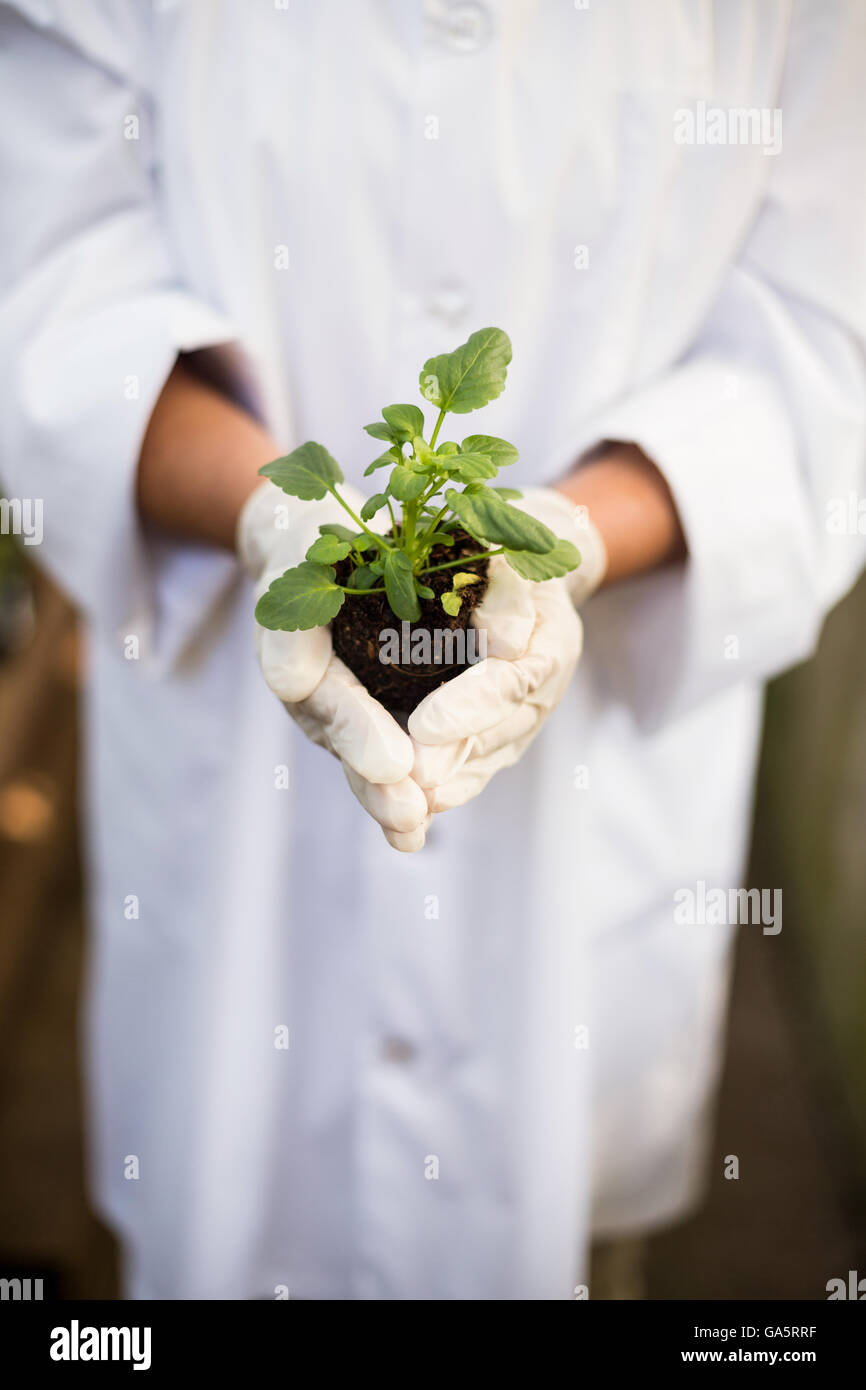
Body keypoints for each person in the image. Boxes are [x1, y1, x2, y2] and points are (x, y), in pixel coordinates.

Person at [0, 0, 863, 1300]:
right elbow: (47, 279)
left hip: (589, 841)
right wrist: (278, 513)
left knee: (563, 1232)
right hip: (229, 817)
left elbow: (823, 342)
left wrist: (561, 542)